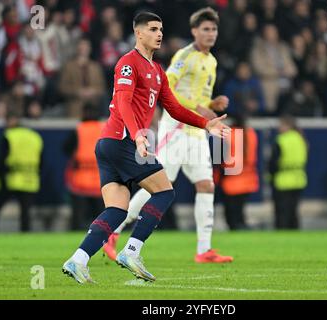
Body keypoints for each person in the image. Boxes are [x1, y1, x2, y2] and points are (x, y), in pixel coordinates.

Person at [62, 12, 230, 284]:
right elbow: (124, 102)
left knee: (117, 210)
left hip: (110, 144)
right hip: (121, 140)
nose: (159, 34)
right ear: (138, 33)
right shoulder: (128, 63)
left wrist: (205, 124)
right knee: (164, 192)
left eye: (161, 29)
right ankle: (132, 250)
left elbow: (174, 108)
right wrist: (138, 136)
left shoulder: (157, 71)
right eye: (153, 29)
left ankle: (78, 260)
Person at [102, 7, 233, 264]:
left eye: (214, 29)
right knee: (159, 186)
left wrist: (212, 104)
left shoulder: (212, 61)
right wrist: (198, 108)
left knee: (206, 184)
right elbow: (169, 90)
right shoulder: (185, 56)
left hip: (195, 132)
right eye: (205, 29)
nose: (210, 33)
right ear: (194, 31)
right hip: (176, 129)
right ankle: (113, 232)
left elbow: (197, 97)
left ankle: (204, 249)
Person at [0, 112, 43, 232]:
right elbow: (41, 160)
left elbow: (2, 159)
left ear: (10, 121)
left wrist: (0, 177)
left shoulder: (9, 135)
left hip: (11, 178)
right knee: (25, 214)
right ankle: (26, 237)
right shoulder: (35, 136)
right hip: (30, 179)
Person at [63, 104, 104, 230]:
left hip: (81, 179)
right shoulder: (104, 128)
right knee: (101, 217)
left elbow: (65, 149)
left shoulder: (79, 129)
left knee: (78, 217)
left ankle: (77, 241)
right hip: (100, 179)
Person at [220, 115, 259, 230]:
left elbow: (221, 158)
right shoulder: (251, 134)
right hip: (248, 178)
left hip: (231, 180)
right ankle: (242, 227)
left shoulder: (229, 135)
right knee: (240, 210)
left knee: (232, 215)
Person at [268, 116, 308, 229]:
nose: (279, 128)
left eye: (281, 125)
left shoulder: (282, 140)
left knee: (282, 213)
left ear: (287, 126)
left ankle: (282, 236)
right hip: (299, 179)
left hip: (283, 180)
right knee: (293, 211)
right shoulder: (300, 138)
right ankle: (295, 234)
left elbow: (273, 162)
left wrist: (271, 176)